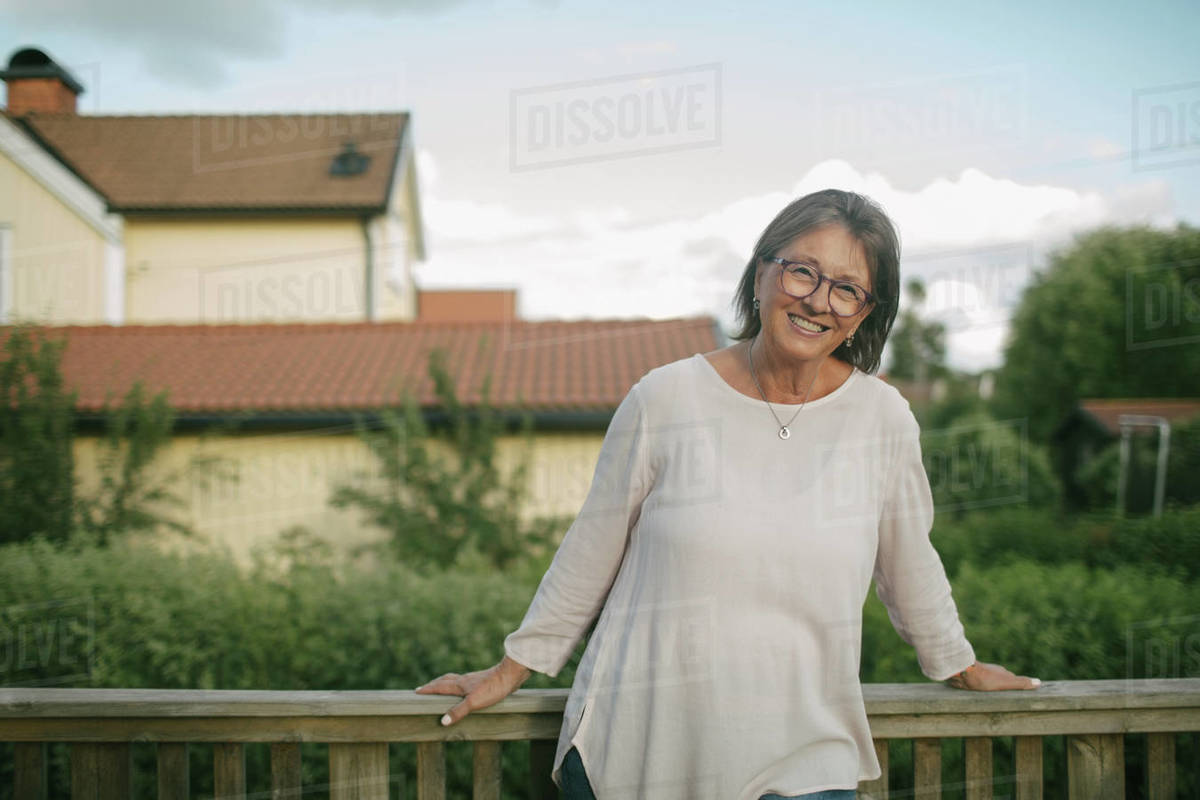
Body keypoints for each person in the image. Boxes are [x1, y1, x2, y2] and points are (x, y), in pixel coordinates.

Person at [416, 189, 1041, 800]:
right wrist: (513, 666)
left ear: (867, 311)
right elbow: (591, 547)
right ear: (763, 272)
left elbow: (911, 562)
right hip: (638, 756)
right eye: (802, 272)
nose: (818, 301)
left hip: (803, 764)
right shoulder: (665, 399)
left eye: (847, 288)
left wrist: (959, 662)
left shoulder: (883, 419)